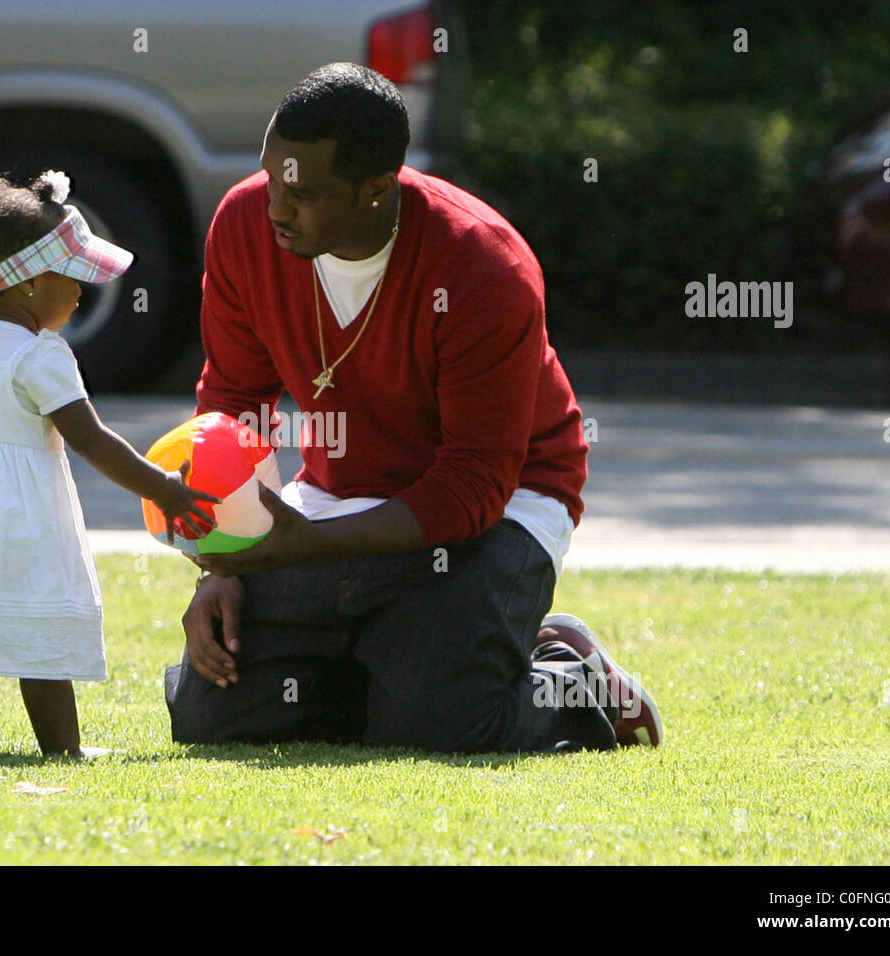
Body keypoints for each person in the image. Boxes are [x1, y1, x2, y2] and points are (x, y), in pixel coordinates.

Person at [164, 64, 663, 753]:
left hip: (504, 503)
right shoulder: (247, 224)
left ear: (375, 189)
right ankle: (394, 672)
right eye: (272, 175)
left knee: (438, 727)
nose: (275, 207)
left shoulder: (483, 264)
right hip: (337, 499)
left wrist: (309, 549)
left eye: (302, 192)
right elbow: (232, 405)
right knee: (213, 718)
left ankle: (571, 678)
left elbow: (474, 488)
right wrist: (225, 561)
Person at [0, 170, 220, 756]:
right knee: (40, 623)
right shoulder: (42, 354)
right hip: (15, 511)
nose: (82, 292)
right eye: (72, 278)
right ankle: (63, 749)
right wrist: (164, 489)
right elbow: (91, 439)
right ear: (27, 284)